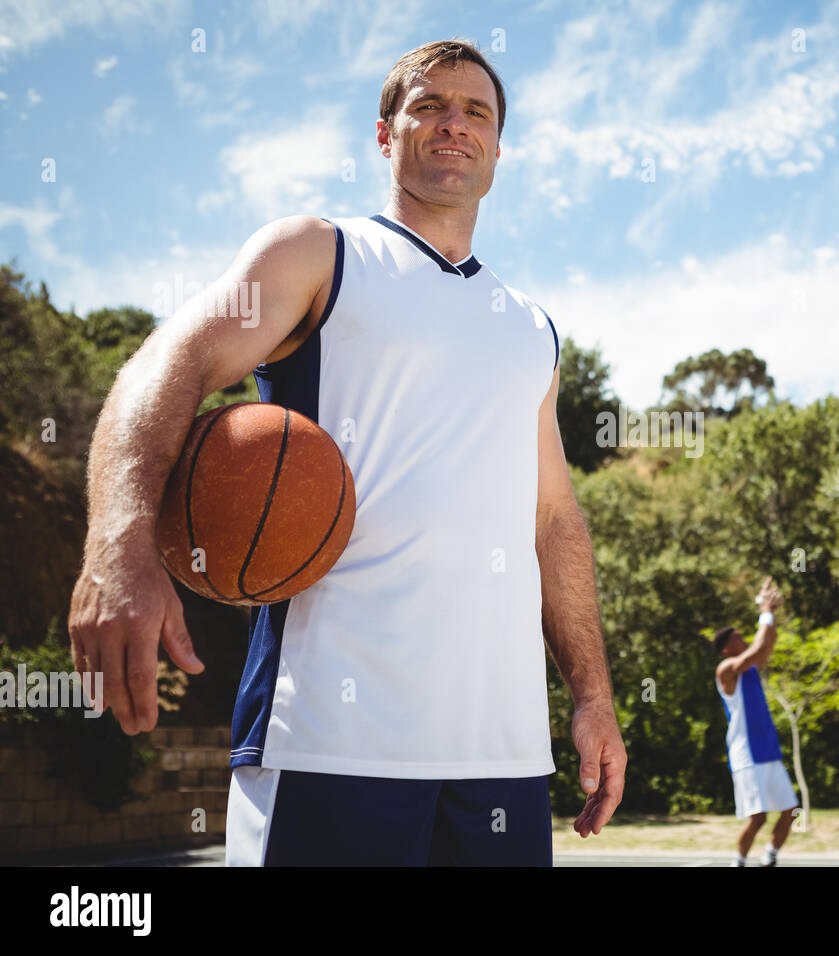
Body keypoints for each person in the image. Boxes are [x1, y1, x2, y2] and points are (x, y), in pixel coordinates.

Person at [67, 39, 626, 866]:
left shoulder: (531, 327)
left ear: (499, 149)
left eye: (477, 112)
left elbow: (552, 521)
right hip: (329, 736)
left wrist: (593, 694)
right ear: (383, 133)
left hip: (501, 757)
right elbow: (166, 364)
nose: (453, 124)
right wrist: (118, 546)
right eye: (428, 105)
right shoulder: (318, 253)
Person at [713, 577, 799, 866]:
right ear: (726, 648)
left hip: (768, 752)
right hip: (746, 755)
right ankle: (738, 861)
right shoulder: (726, 670)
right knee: (758, 818)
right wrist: (762, 608)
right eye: (737, 638)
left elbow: (766, 644)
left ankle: (770, 858)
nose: (744, 639)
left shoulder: (750, 668)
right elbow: (757, 648)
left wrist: (770, 611)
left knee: (790, 811)